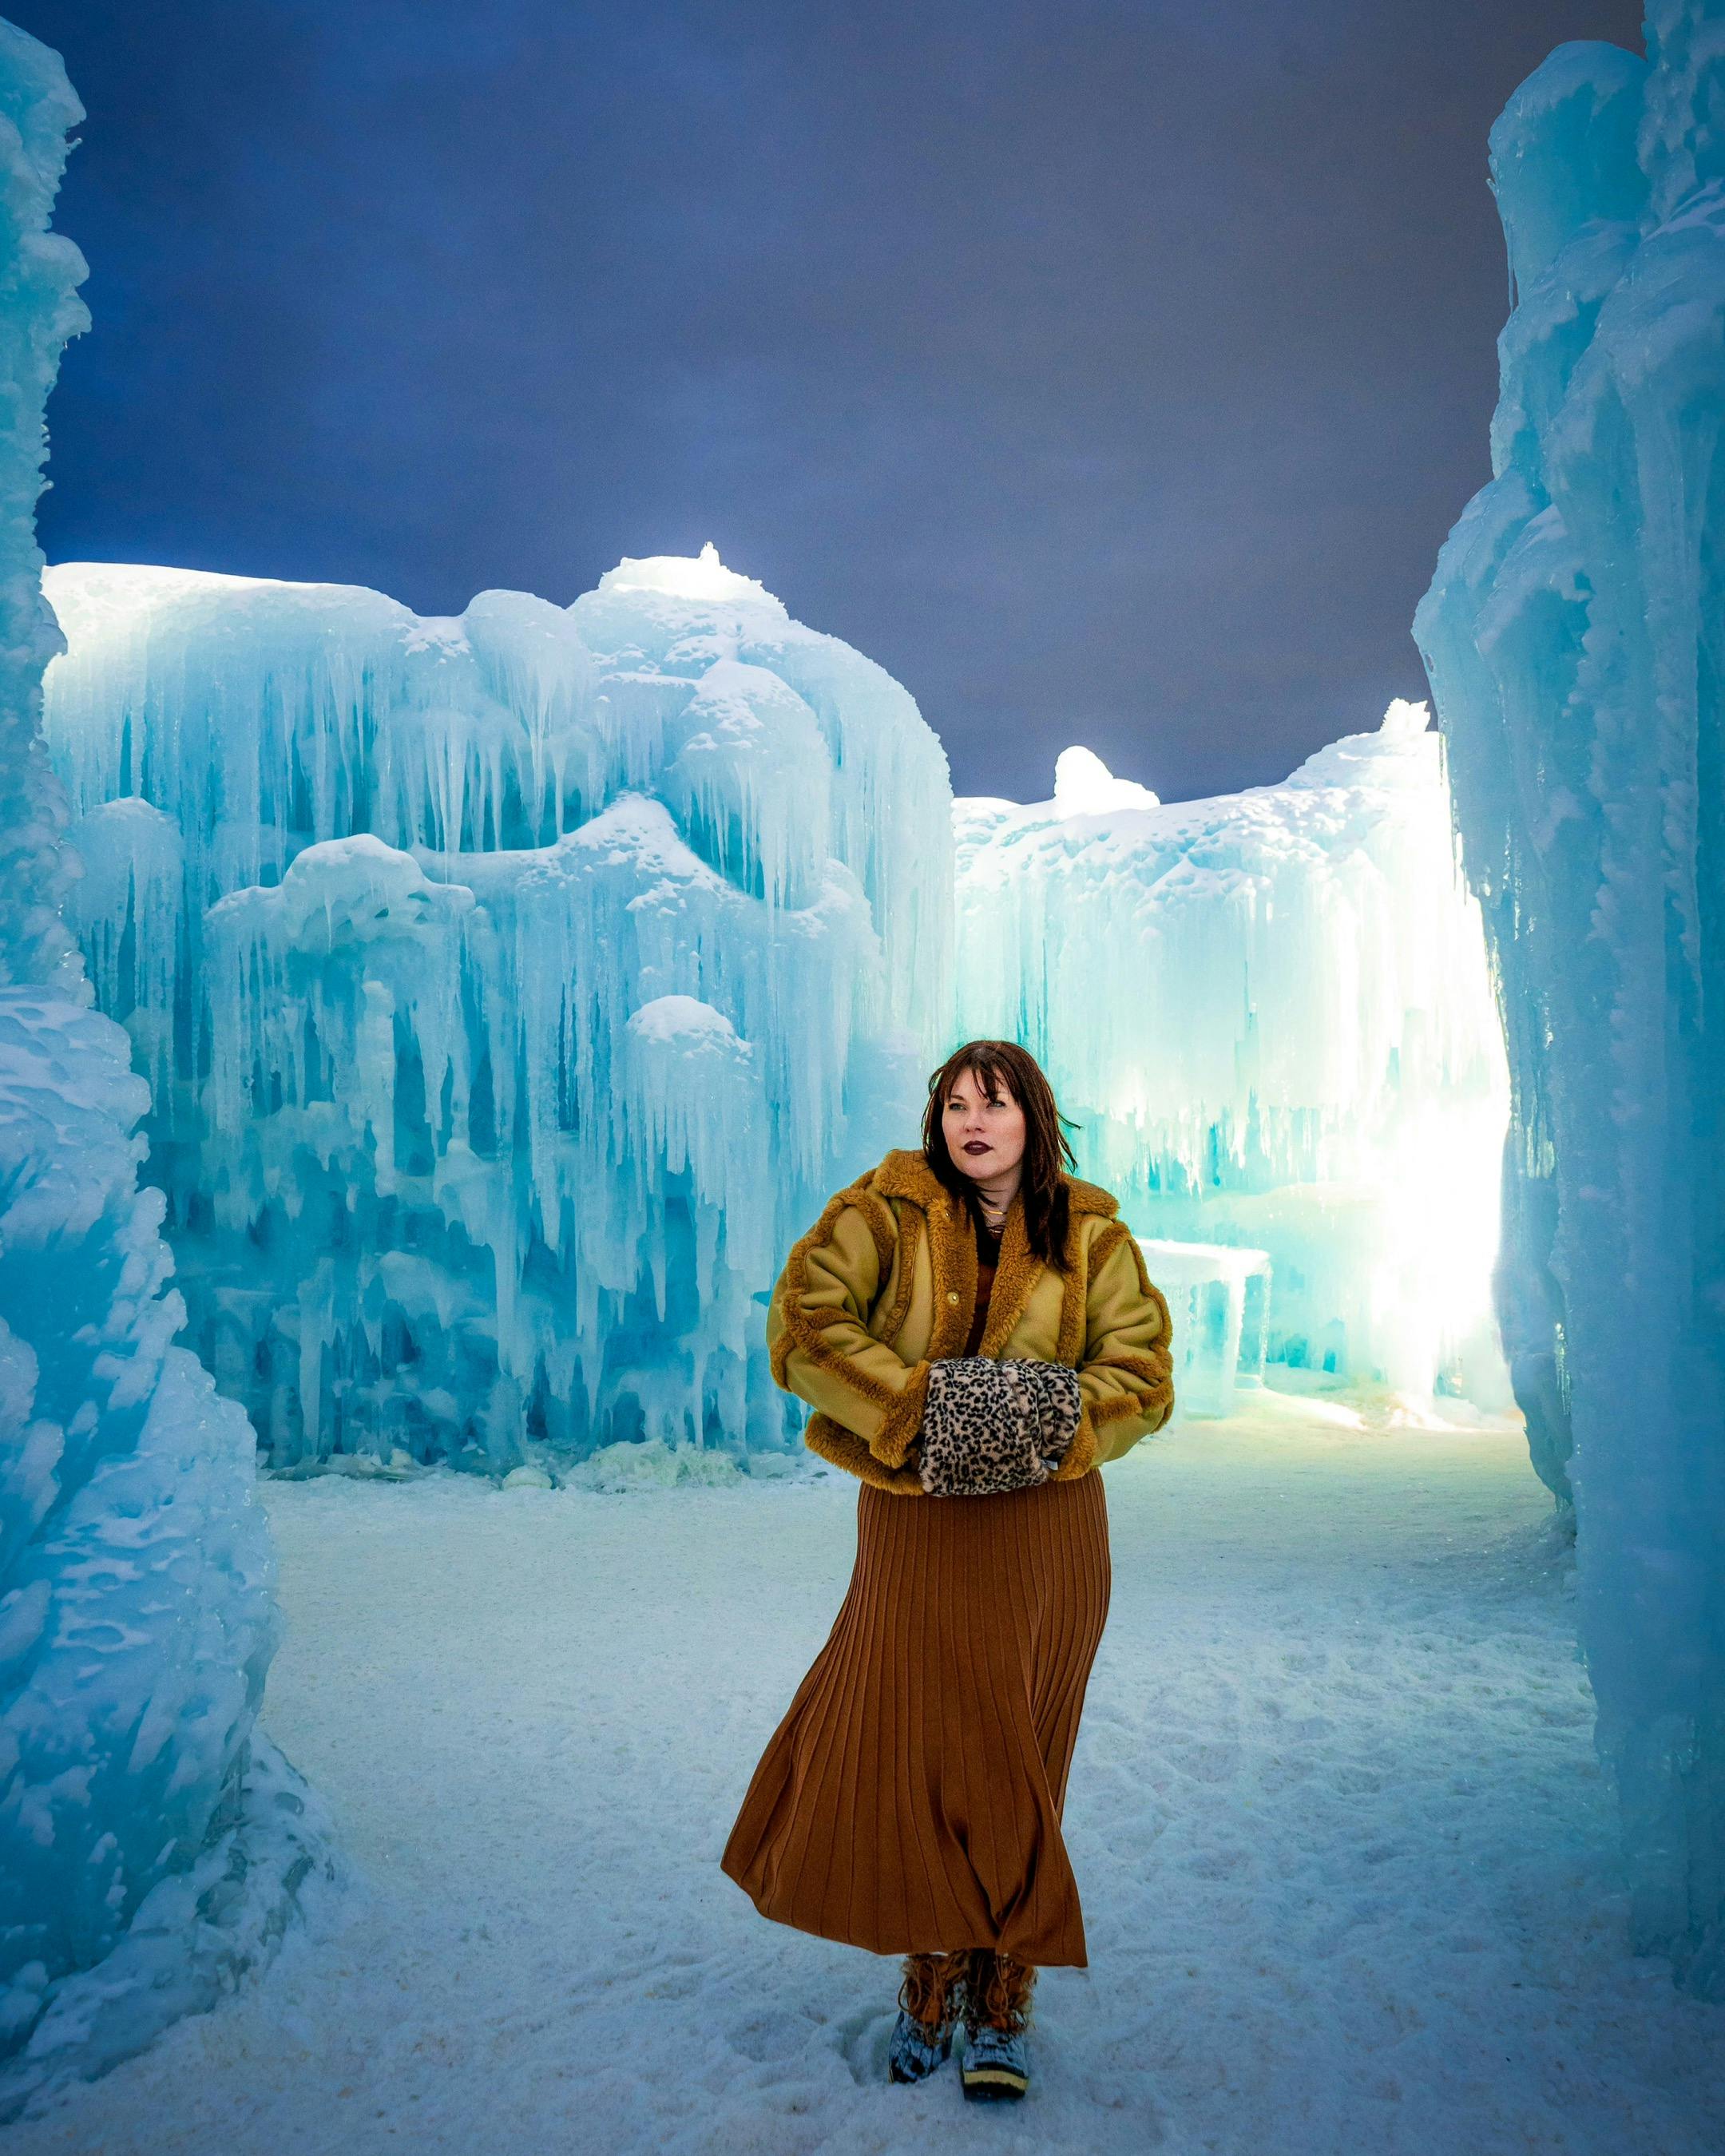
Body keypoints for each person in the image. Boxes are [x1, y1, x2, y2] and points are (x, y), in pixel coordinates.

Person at [721, 1039, 1174, 2103]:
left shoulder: (1094, 1233)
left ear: (1036, 1118)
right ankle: (931, 1973)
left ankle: (1001, 1988)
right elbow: (804, 1325)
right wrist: (925, 1408)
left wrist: (1041, 1417)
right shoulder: (880, 1212)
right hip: (916, 1525)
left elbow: (1144, 1375)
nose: (976, 1121)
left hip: (1046, 1534)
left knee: (1019, 1749)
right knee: (921, 1746)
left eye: (1000, 1103)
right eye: (958, 1104)